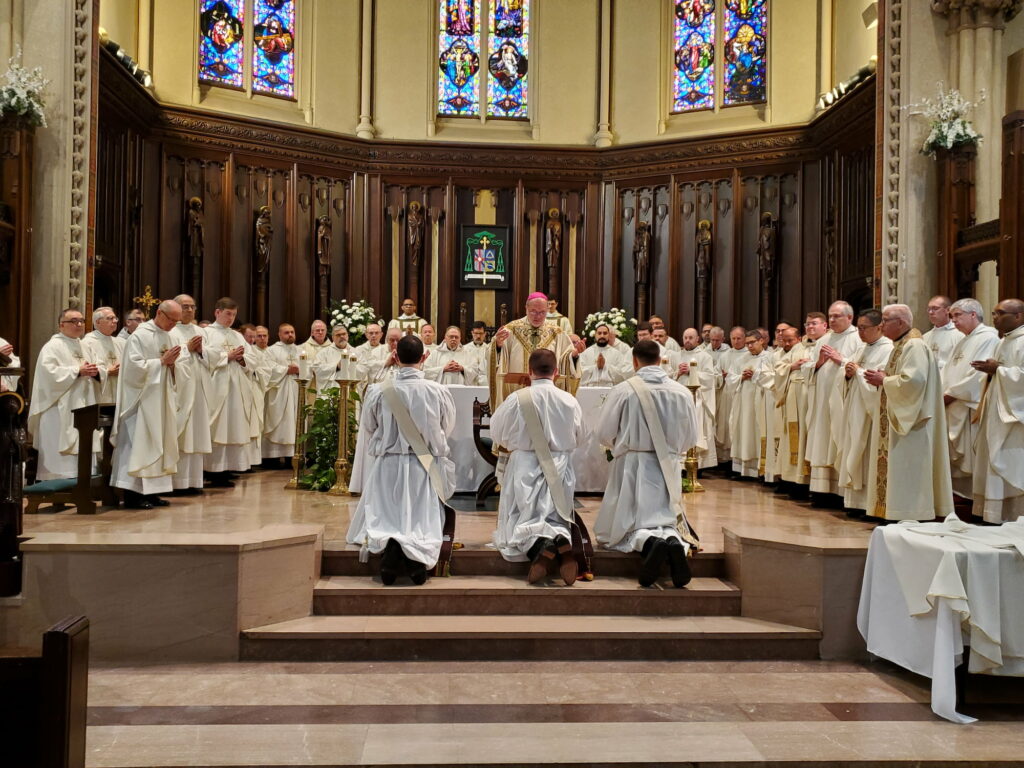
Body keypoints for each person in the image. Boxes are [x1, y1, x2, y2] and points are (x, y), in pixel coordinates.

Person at [346, 335, 456, 585]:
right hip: (424, 466)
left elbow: (369, 426)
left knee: (386, 515)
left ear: (395, 357)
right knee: (421, 521)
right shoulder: (437, 391)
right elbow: (446, 427)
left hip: (388, 465)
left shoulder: (378, 391)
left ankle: (392, 551)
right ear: (425, 357)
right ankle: (415, 561)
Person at [595, 339, 699, 587]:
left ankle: (651, 543)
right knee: (664, 517)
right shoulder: (681, 391)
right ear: (660, 359)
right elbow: (691, 438)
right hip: (668, 465)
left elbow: (603, 433)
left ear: (634, 360)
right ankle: (674, 543)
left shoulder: (624, 390)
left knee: (628, 523)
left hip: (633, 463)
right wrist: (672, 451)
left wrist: (621, 444)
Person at [490, 348, 585, 585]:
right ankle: (560, 539)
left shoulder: (516, 399)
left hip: (524, 464)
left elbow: (498, 433)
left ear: (530, 371)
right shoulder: (569, 400)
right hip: (559, 465)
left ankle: (541, 546)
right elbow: (580, 436)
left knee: (523, 517)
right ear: (556, 372)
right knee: (555, 515)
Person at [863, 304, 953, 521]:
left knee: (908, 466)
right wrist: (885, 376)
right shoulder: (901, 345)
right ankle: (893, 509)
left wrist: (883, 379)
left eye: (885, 320)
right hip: (900, 417)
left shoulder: (914, 345)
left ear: (901, 322)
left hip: (912, 423)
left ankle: (909, 512)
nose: (881, 325)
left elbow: (914, 381)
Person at [111, 300, 183, 509]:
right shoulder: (140, 336)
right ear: (160, 313)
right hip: (141, 402)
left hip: (160, 398)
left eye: (177, 322)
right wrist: (161, 362)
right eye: (172, 320)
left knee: (158, 442)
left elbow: (174, 369)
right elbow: (133, 370)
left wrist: (172, 366)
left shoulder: (168, 336)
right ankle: (133, 495)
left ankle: (152, 492)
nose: (174, 325)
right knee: (139, 445)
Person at [833, 309, 894, 516]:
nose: (860, 332)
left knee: (867, 452)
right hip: (855, 407)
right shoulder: (863, 348)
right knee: (853, 447)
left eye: (864, 328)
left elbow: (880, 379)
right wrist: (848, 374)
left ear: (879, 327)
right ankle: (853, 502)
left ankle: (867, 503)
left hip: (871, 411)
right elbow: (852, 374)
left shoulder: (888, 349)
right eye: (858, 328)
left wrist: (857, 371)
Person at [28, 309, 100, 481]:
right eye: (74, 321)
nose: (79, 324)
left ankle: (83, 483)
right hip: (58, 406)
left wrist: (97, 372)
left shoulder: (85, 346)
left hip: (84, 403)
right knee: (59, 444)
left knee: (84, 440)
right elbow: (48, 373)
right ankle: (58, 481)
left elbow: (99, 366)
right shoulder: (52, 346)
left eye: (82, 321)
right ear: (61, 325)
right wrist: (77, 371)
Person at [971, 299, 1024, 523]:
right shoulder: (1005, 341)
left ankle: (1012, 515)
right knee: (991, 457)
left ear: (1019, 316)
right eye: (994, 313)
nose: (995, 317)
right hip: (997, 410)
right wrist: (994, 369)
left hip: (1013, 417)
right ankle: (990, 514)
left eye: (1000, 313)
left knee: (1008, 460)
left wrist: (999, 370)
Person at [805, 301, 863, 502]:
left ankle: (840, 492)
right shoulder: (825, 339)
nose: (832, 320)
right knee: (822, 438)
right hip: (822, 400)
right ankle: (822, 490)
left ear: (849, 317)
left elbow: (860, 367)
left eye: (837, 316)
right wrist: (820, 362)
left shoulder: (858, 337)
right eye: (830, 316)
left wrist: (842, 361)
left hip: (843, 400)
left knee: (840, 439)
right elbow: (811, 367)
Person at [942, 299, 999, 499]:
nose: (953, 321)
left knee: (971, 455)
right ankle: (959, 498)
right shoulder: (963, 340)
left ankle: (974, 498)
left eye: (958, 315)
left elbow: (979, 375)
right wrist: (940, 394)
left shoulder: (988, 338)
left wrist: (950, 395)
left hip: (967, 406)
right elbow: (948, 371)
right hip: (951, 404)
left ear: (973, 314)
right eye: (952, 316)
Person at [489, 292, 582, 408]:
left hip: (547, 396)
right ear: (526, 308)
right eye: (533, 311)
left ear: (548, 310)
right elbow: (493, 355)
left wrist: (573, 356)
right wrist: (497, 345)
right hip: (516, 391)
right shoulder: (510, 330)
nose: (537, 316)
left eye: (542, 312)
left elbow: (565, 357)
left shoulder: (557, 332)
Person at [202, 297, 258, 485]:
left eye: (234, 315)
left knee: (232, 428)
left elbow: (252, 357)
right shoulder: (206, 333)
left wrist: (242, 359)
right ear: (217, 312)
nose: (231, 318)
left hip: (236, 388)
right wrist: (228, 356)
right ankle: (213, 470)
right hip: (216, 388)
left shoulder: (237, 335)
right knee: (217, 428)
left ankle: (226, 467)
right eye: (228, 314)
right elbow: (203, 357)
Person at [169, 294, 212, 494]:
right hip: (180, 390)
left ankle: (194, 480)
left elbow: (215, 355)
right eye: (184, 306)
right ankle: (177, 482)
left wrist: (202, 350)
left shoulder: (200, 331)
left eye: (192, 307)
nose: (189, 310)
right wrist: (187, 348)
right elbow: (167, 355)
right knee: (180, 434)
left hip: (198, 389)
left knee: (196, 434)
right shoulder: (170, 330)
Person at [727, 330, 773, 478]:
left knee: (758, 432)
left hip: (761, 401)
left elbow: (774, 378)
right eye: (747, 343)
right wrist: (741, 377)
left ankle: (760, 470)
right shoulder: (741, 359)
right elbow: (729, 379)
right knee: (743, 431)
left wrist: (756, 375)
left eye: (752, 342)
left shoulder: (770, 357)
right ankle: (743, 469)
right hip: (743, 401)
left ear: (761, 341)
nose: (750, 346)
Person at [676, 327, 718, 469]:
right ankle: (682, 465)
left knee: (697, 430)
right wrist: (677, 373)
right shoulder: (677, 356)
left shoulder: (705, 356)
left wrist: (691, 371)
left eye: (690, 338)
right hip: (680, 400)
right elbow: (668, 375)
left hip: (697, 400)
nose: (687, 340)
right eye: (685, 337)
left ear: (697, 339)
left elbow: (709, 378)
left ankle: (698, 466)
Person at [262, 323, 302, 462]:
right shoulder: (271, 351)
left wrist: (301, 370)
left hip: (296, 390)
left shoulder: (300, 351)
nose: (290, 335)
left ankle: (292, 457)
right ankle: (272, 457)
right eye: (286, 332)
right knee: (278, 422)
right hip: (278, 392)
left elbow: (308, 368)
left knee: (294, 422)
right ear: (279, 334)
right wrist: (286, 369)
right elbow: (267, 369)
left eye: (292, 332)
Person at [714, 326, 748, 467]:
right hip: (726, 396)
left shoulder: (749, 354)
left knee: (739, 428)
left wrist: (735, 377)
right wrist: (721, 376)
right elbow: (715, 374)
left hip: (742, 397)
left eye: (739, 338)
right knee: (726, 427)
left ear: (745, 338)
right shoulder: (725, 355)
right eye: (733, 338)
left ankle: (738, 462)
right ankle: (725, 461)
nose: (736, 341)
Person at [81, 306, 124, 405]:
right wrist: (108, 372)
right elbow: (86, 369)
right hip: (99, 395)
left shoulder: (121, 343)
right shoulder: (87, 343)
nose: (115, 321)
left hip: (119, 394)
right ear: (97, 322)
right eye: (109, 318)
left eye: (115, 318)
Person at [312, 325, 360, 395]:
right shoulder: (323, 353)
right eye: (338, 335)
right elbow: (317, 369)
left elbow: (363, 369)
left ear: (347, 335)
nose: (342, 336)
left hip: (350, 390)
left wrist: (351, 369)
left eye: (344, 334)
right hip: (330, 391)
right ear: (333, 338)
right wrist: (336, 366)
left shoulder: (356, 352)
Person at [922, 295, 964, 370]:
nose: (931, 312)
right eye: (929, 309)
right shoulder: (925, 337)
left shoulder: (959, 334)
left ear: (948, 310)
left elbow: (961, 363)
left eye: (935, 308)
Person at [466, 321, 490, 388]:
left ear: (485, 334)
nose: (478, 336)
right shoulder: (464, 349)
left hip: (485, 383)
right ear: (472, 333)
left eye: (481, 333)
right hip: (470, 383)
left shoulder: (489, 349)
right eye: (476, 333)